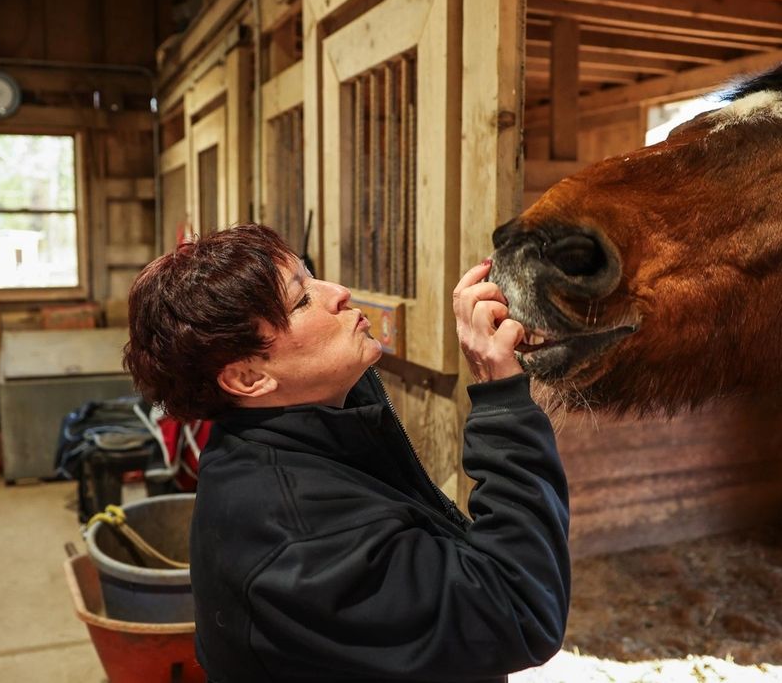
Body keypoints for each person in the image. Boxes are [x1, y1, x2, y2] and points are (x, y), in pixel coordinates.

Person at [123, 224, 570, 682]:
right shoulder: (300, 541)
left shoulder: (304, 427)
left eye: (311, 274)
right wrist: (502, 400)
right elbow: (518, 610)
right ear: (248, 379)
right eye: (301, 300)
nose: (338, 292)